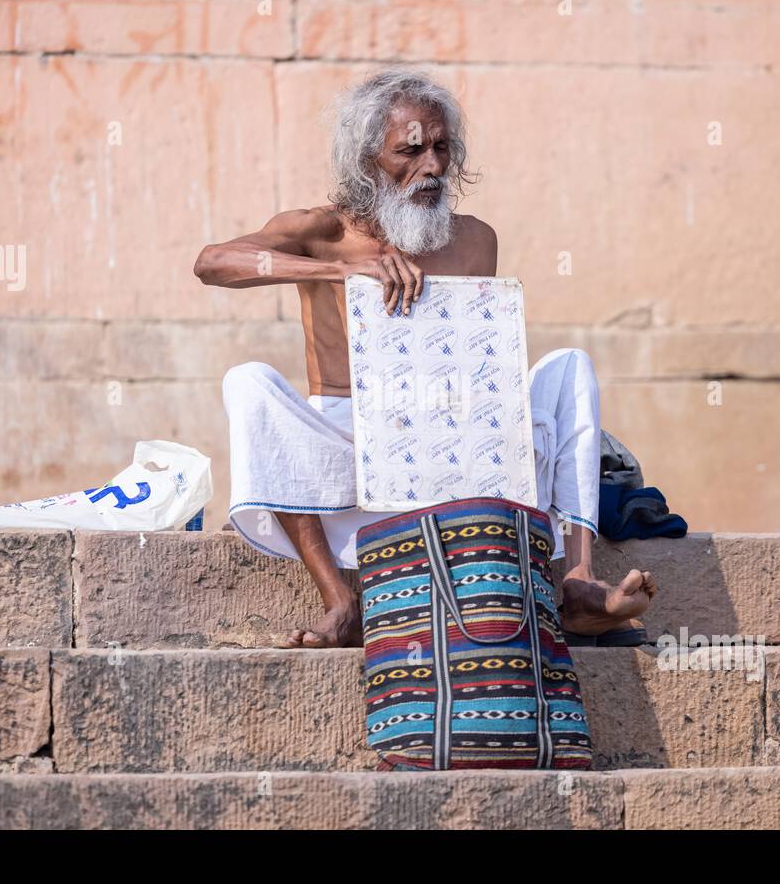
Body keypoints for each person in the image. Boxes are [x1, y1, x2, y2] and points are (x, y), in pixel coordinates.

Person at [195, 68, 655, 648]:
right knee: (248, 382)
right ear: (367, 161)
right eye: (409, 151)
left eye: (441, 148)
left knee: (569, 367)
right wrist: (340, 270)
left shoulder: (474, 239)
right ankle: (340, 598)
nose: (432, 166)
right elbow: (214, 263)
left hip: (455, 463)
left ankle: (580, 584)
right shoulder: (321, 231)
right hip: (349, 473)